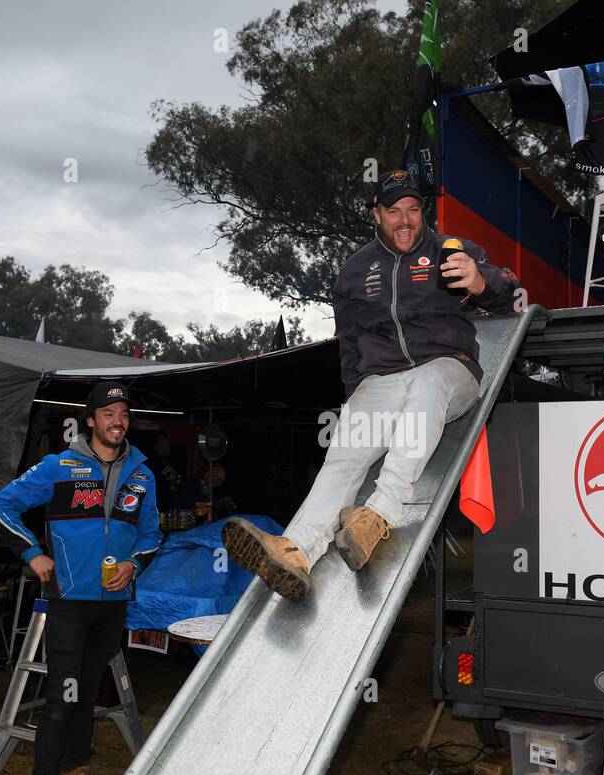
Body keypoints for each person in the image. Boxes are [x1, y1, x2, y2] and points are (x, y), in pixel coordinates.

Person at [220, 168, 520, 600]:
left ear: (423, 213)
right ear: (376, 214)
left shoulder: (451, 251)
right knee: (344, 456)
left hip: (450, 370)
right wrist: (355, 395)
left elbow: (510, 294)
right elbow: (350, 346)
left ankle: (377, 515)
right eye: (393, 210)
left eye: (413, 210)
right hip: (382, 379)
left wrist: (482, 281)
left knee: (429, 383)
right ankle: (296, 552)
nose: (404, 220)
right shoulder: (354, 271)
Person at [0, 380, 161, 775]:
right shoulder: (59, 466)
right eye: (108, 412)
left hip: (112, 604)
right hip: (67, 599)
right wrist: (32, 554)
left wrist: (134, 565)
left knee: (87, 693)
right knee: (60, 702)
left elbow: (151, 535)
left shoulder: (142, 474)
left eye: (123, 412)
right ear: (91, 420)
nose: (117, 420)